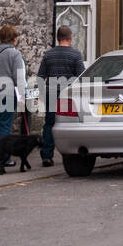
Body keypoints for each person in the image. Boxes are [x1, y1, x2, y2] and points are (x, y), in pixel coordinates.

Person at [36, 27, 85, 167]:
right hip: (68, 95)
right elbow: (81, 77)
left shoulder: (48, 55)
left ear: (57, 38)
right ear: (70, 37)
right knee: (70, 123)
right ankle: (71, 153)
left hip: (51, 94)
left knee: (50, 124)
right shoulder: (75, 55)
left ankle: (46, 156)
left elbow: (40, 77)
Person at [0, 25, 28, 170]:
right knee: (5, 125)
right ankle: (3, 159)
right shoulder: (14, 54)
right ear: (14, 39)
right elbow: (20, 77)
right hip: (7, 94)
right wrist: (22, 95)